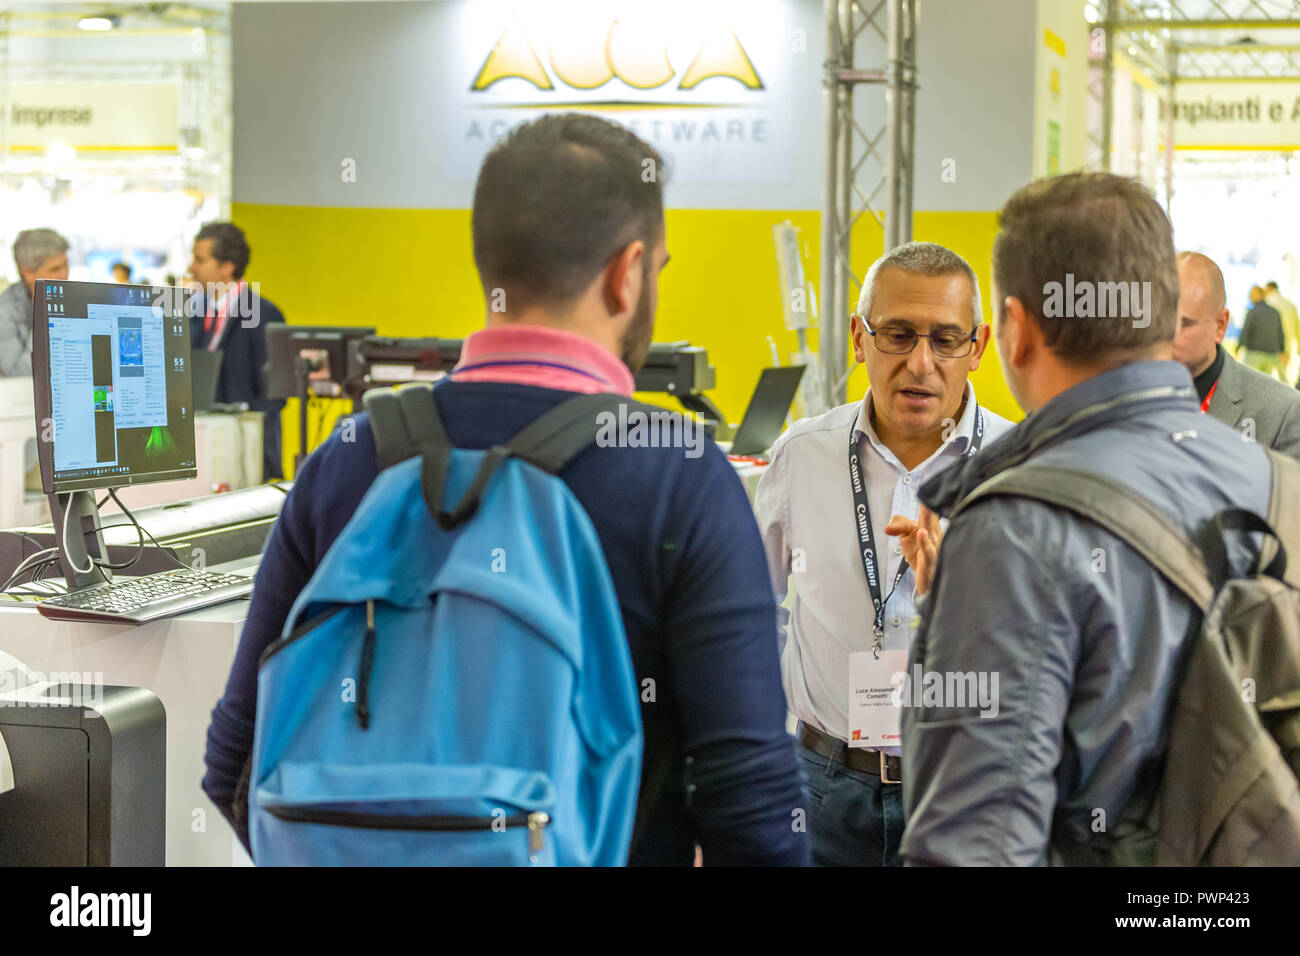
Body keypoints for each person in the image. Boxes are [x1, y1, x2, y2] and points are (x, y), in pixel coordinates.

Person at [201, 113, 809, 866]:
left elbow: (234, 760)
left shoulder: (347, 457)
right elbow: (750, 810)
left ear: (489, 263)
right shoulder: (679, 474)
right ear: (628, 273)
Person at [898, 172, 1275, 866]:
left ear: (1014, 330)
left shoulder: (1015, 532)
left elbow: (973, 845)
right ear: (1164, 316)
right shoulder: (1277, 486)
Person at [753, 241, 1014, 867]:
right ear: (858, 337)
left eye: (946, 340)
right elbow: (746, 614)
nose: (921, 363)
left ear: (977, 348)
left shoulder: (1020, 468)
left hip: (965, 785)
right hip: (821, 784)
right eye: (897, 335)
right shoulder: (802, 456)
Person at [1173, 252, 1300, 458]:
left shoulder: (1283, 414)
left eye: (1184, 324)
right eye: (1157, 322)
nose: (1164, 335)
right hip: (1271, 354)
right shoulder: (1126, 395)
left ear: (1220, 325)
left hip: (1256, 356)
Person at [187, 222, 287, 480]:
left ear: (227, 267)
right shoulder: (194, 313)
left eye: (200, 260)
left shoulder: (263, 314)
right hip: (202, 447)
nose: (191, 268)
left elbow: (275, 393)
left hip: (246, 453)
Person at [0, 228, 69, 378]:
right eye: (55, 268)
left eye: (66, 264)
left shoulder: (75, 297)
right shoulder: (4, 311)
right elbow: (16, 373)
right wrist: (42, 311)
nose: (65, 275)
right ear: (28, 273)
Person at [1239, 285, 1285, 379]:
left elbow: (1246, 331)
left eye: (1251, 294)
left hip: (1254, 353)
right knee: (1266, 383)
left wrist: (1239, 347)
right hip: (1271, 354)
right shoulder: (1274, 312)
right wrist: (1282, 350)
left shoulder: (1252, 312)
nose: (1250, 297)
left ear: (1258, 295)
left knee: (1251, 381)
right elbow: (1280, 333)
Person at [1265, 280, 1300, 378]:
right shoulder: (1291, 305)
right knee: (1283, 378)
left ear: (1268, 289)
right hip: (1287, 347)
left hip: (1269, 347)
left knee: (1266, 378)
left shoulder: (1267, 302)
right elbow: (1298, 327)